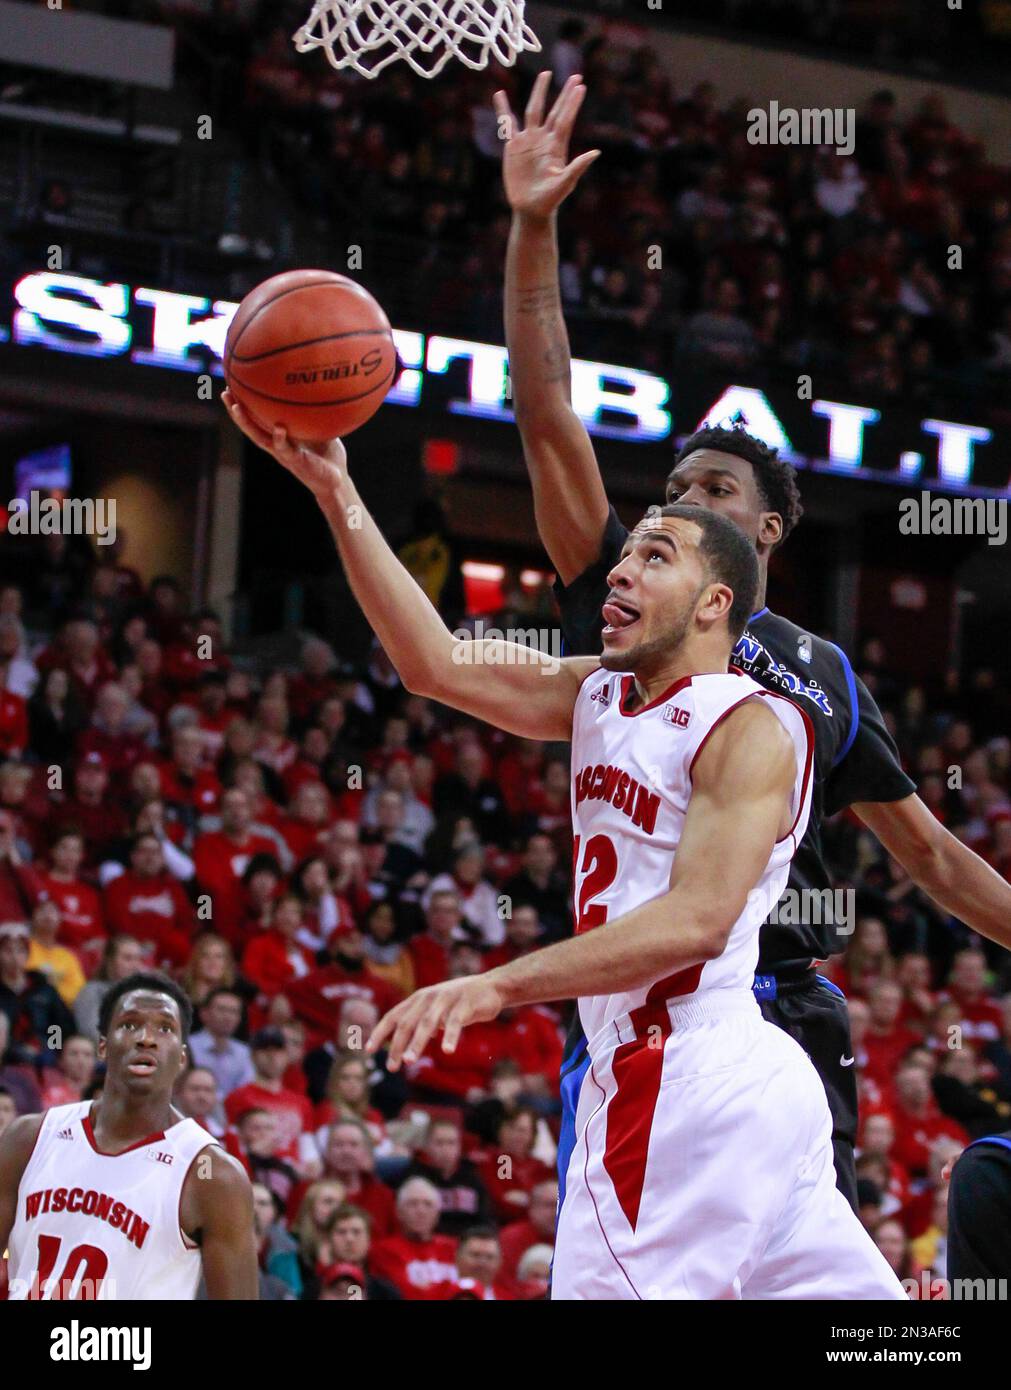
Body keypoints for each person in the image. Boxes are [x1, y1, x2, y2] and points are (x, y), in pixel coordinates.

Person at [223, 393, 902, 1299]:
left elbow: (697, 921)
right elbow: (431, 664)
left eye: (652, 557)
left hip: (682, 1073)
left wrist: (497, 984)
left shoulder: (755, 726)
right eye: (623, 554)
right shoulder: (596, 691)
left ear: (713, 604)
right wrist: (337, 490)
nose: (618, 572)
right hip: (746, 1096)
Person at [494, 71, 1011, 1209]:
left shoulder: (821, 672)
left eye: (714, 487)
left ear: (768, 529)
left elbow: (929, 857)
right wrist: (535, 231)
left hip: (780, 1005)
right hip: (640, 1004)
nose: (681, 503)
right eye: (671, 488)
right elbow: (545, 421)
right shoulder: (624, 600)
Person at [0, 971, 257, 1299]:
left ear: (181, 1058)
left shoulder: (212, 1176)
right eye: (129, 1024)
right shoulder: (29, 1138)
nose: (146, 1038)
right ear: (103, 1047)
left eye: (164, 1028)